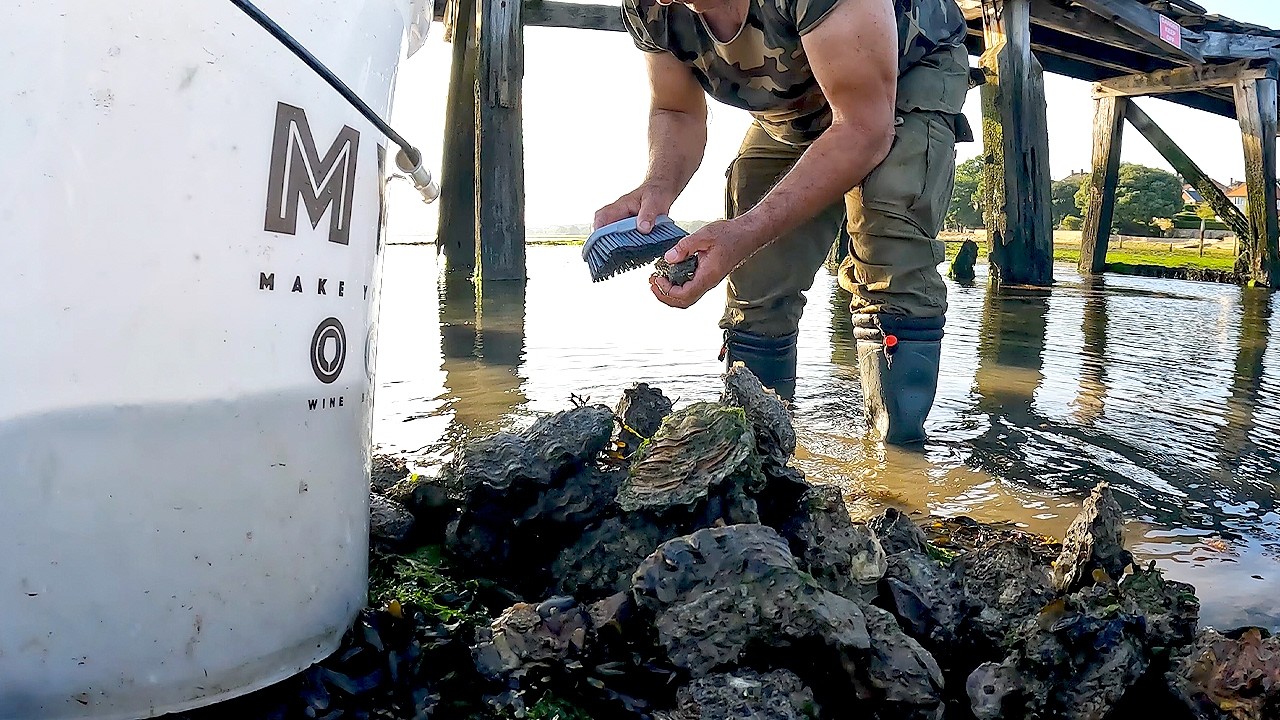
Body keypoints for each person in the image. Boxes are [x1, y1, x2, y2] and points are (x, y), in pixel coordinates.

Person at [592, 0, 973, 445]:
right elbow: (675, 110)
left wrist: (745, 231)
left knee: (887, 250)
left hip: (906, 74)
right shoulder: (648, 8)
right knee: (755, 279)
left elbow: (864, 128)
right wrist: (657, 188)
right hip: (790, 107)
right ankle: (758, 454)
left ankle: (897, 470)